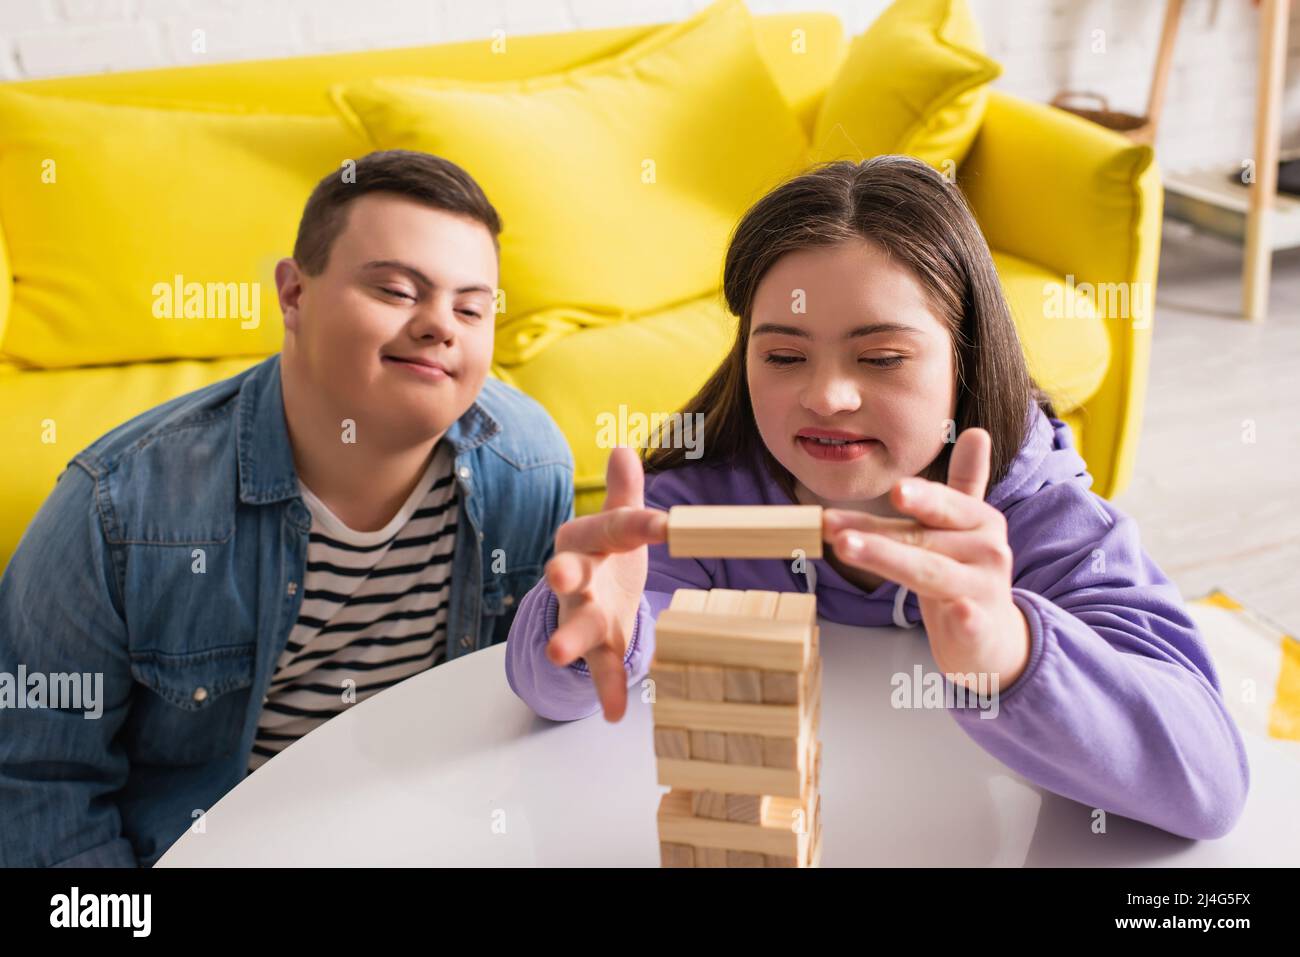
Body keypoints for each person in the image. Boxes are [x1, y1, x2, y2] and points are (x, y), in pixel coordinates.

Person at [505, 155, 1250, 842]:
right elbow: (553, 693)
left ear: (967, 355)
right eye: (784, 355)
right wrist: (586, 630)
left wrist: (1010, 651)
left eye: (882, 357)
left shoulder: (1049, 525)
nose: (826, 395)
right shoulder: (701, 505)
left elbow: (1207, 787)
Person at [0, 150, 573, 866]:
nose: (440, 325)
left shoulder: (529, 467)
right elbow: (36, 782)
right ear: (294, 295)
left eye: (470, 307)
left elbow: (536, 714)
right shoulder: (118, 507)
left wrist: (599, 640)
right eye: (397, 290)